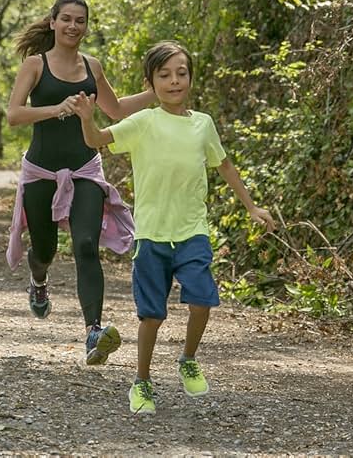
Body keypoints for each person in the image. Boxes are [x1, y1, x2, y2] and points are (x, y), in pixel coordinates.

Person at [72, 40, 276, 414]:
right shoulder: (144, 121)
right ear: (151, 83)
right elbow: (98, 141)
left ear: (191, 79)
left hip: (192, 231)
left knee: (202, 299)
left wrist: (252, 207)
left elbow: (225, 166)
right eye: (164, 75)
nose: (174, 81)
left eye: (181, 73)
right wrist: (87, 118)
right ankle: (142, 381)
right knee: (152, 315)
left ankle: (188, 358)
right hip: (151, 235)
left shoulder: (203, 125)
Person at [5, 0, 157, 366]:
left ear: (86, 26)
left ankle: (94, 331)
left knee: (86, 245)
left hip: (86, 169)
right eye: (67, 19)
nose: (74, 26)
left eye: (81, 21)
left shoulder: (93, 65)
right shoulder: (34, 66)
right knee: (45, 251)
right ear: (53, 22)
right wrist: (57, 108)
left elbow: (115, 109)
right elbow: (13, 115)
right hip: (41, 172)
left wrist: (157, 93)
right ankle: (38, 282)